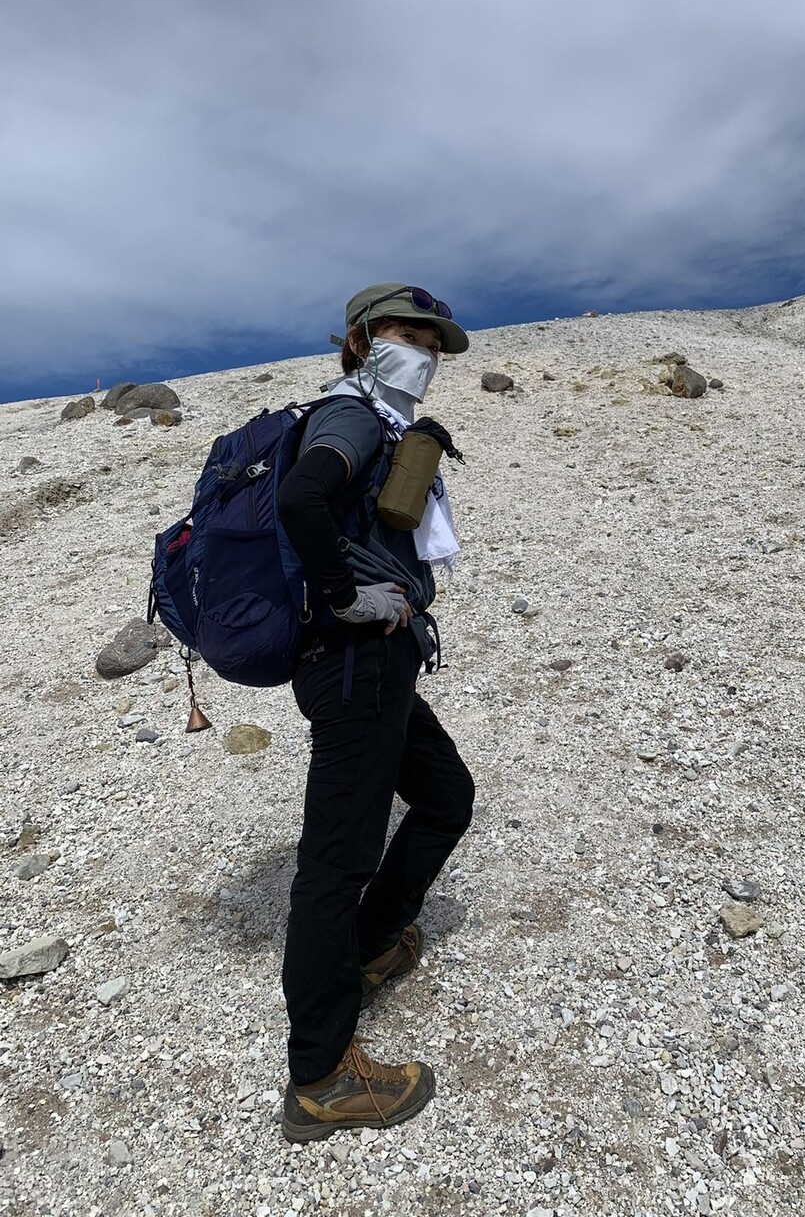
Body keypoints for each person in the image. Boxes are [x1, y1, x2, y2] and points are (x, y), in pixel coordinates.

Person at [275, 282, 475, 1143]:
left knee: (447, 796)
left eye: (432, 341)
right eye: (406, 334)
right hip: (354, 659)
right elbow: (301, 500)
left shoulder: (385, 424)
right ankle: (321, 1078)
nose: (423, 352)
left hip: (381, 663)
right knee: (336, 863)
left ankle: (370, 944)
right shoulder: (352, 416)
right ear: (360, 341)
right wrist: (346, 595)